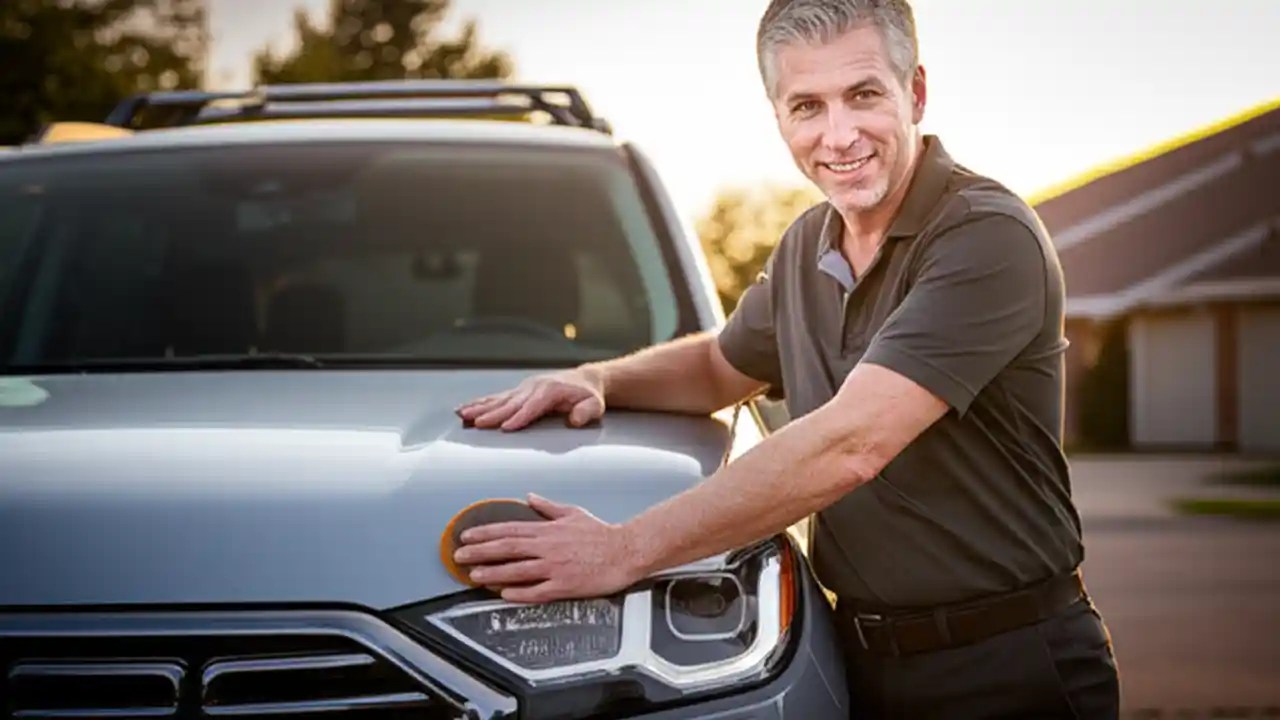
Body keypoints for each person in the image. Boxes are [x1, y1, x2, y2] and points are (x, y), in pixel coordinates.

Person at [452, 0, 1121, 716]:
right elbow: (718, 367)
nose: (839, 135)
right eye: (807, 106)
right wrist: (596, 379)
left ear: (915, 92)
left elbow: (853, 443)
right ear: (778, 117)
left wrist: (623, 551)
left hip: (1006, 667)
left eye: (863, 95)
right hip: (855, 658)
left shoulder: (985, 238)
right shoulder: (808, 246)